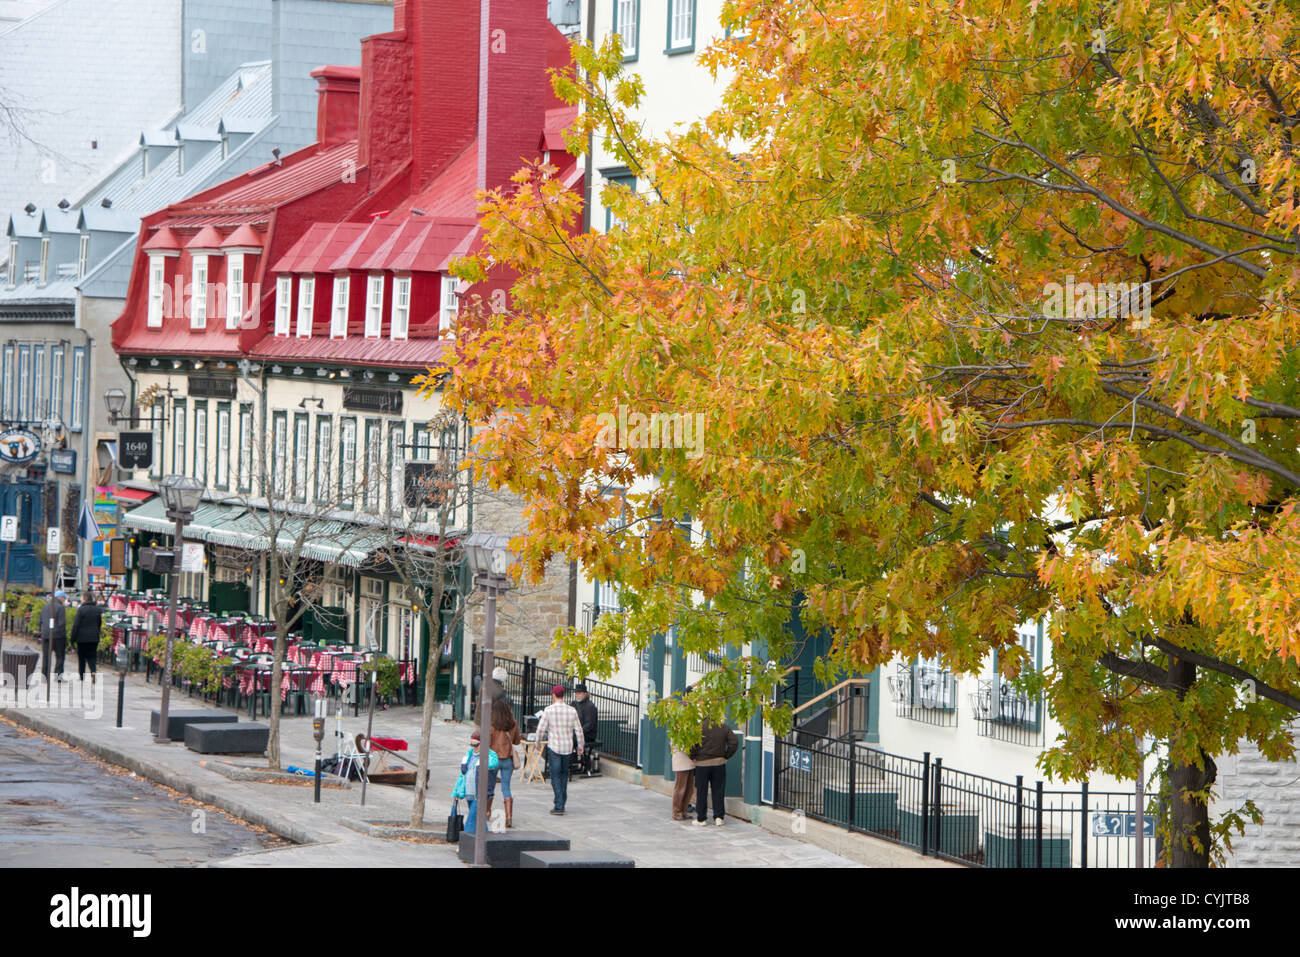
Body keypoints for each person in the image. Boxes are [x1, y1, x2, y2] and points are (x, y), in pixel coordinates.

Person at [533, 684, 583, 815]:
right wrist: (581, 746)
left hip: (554, 746)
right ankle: (561, 801)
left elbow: (540, 729)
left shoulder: (549, 710)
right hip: (567, 747)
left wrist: (537, 743)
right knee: (564, 775)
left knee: (555, 775)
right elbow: (579, 730)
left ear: (554, 695)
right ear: (564, 695)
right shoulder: (572, 710)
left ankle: (559, 804)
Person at [689, 717, 738, 826]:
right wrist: (726, 755)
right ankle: (719, 817)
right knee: (718, 790)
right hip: (719, 763)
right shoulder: (723, 726)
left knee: (702, 791)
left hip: (702, 764)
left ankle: (701, 818)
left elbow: (692, 745)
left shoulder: (699, 727)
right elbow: (734, 742)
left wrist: (692, 756)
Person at [488, 695, 523, 828]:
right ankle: (508, 817)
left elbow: (488, 742)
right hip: (508, 760)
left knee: (490, 787)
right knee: (506, 788)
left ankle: (487, 811)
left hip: (494, 759)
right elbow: (517, 741)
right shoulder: (513, 723)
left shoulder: (492, 724)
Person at [460, 729, 499, 835]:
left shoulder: (490, 757)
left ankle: (466, 844)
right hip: (470, 792)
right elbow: (462, 775)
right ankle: (486, 840)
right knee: (479, 819)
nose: (473, 748)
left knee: (471, 820)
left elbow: (492, 767)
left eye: (476, 745)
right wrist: (457, 791)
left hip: (481, 794)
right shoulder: (468, 756)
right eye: (471, 745)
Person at [670, 686, 696, 821]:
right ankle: (677, 811)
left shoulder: (691, 718)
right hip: (682, 756)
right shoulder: (679, 720)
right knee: (681, 786)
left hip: (689, 758)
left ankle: (684, 810)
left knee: (689, 787)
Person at [70, 592, 106, 682]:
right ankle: (93, 671)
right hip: (93, 637)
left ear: (85, 599)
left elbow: (76, 625)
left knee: (81, 657)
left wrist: (72, 639)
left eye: (81, 598)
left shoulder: (81, 609)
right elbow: (99, 623)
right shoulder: (97, 609)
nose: (81, 600)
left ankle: (82, 676)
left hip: (81, 638)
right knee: (92, 656)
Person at [39, 590, 68, 682]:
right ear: (60, 598)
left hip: (45, 635)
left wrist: (43, 631)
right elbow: (61, 623)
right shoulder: (60, 608)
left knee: (46, 657)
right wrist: (63, 636)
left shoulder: (45, 606)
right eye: (64, 598)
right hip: (58, 636)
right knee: (60, 656)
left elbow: (40, 621)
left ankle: (44, 677)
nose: (65, 600)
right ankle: (58, 677)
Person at [572, 682, 598, 775]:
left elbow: (589, 725)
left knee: (571, 740)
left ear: (585, 694)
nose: (577, 695)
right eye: (576, 693)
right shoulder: (575, 704)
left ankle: (569, 764)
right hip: (579, 732)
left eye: (579, 693)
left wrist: (577, 732)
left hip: (588, 735)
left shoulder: (590, 706)